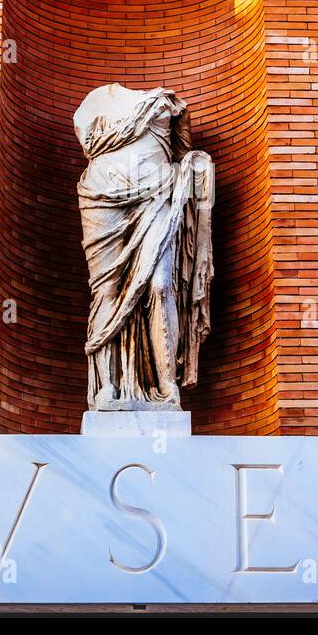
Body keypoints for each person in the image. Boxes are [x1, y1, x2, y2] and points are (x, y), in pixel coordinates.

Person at [73, 83, 214, 410]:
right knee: (107, 289)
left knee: (161, 285)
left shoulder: (170, 103)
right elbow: (89, 144)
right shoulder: (94, 99)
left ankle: (167, 384)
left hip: (156, 195)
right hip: (102, 198)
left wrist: (197, 169)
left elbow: (182, 156)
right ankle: (107, 386)